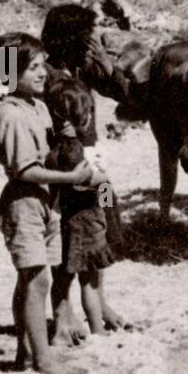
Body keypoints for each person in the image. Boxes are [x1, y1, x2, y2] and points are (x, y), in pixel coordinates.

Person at [0, 32, 97, 374]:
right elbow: (25, 169)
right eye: (32, 67)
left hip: (44, 202)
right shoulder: (11, 114)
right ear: (9, 72)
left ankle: (26, 350)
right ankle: (44, 361)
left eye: (41, 66)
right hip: (24, 204)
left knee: (30, 282)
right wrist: (71, 179)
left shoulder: (35, 107)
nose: (41, 73)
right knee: (36, 281)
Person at [40, 3, 129, 335]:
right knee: (69, 240)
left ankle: (98, 301)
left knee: (102, 229)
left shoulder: (83, 67)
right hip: (67, 171)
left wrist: (108, 65)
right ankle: (63, 310)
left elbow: (125, 95)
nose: (94, 43)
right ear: (71, 39)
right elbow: (4, 75)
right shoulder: (43, 73)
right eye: (88, 37)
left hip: (97, 169)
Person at [49, 129, 118, 335]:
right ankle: (97, 329)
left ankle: (82, 324)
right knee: (90, 284)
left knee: (68, 281)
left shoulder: (62, 183)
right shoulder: (96, 180)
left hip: (72, 237)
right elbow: (107, 200)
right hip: (94, 236)